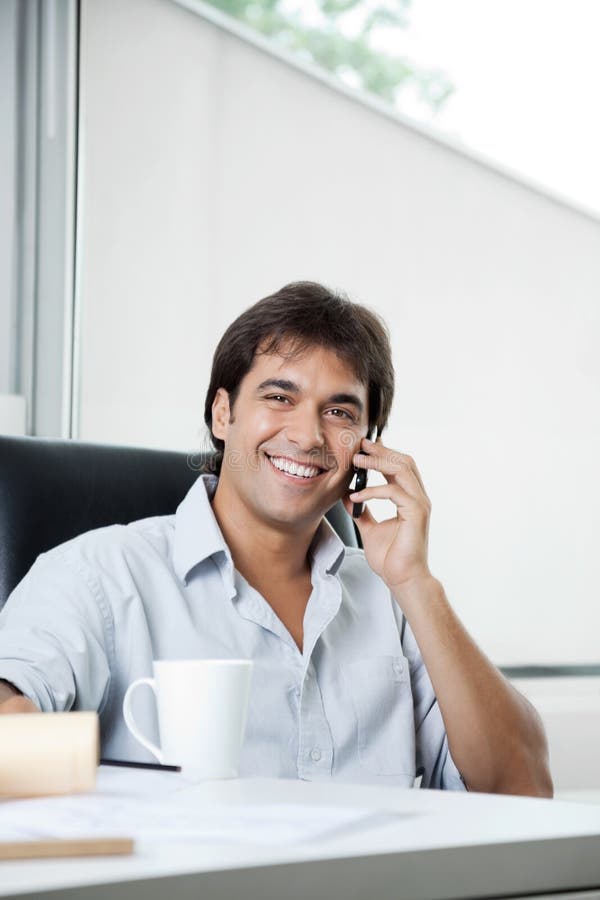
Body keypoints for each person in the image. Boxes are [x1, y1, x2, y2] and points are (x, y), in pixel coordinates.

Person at [0, 281, 552, 795]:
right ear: (223, 412)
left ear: (366, 444)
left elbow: (524, 787)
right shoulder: (100, 575)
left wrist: (417, 583)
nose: (308, 435)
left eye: (339, 412)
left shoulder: (393, 599)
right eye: (279, 397)